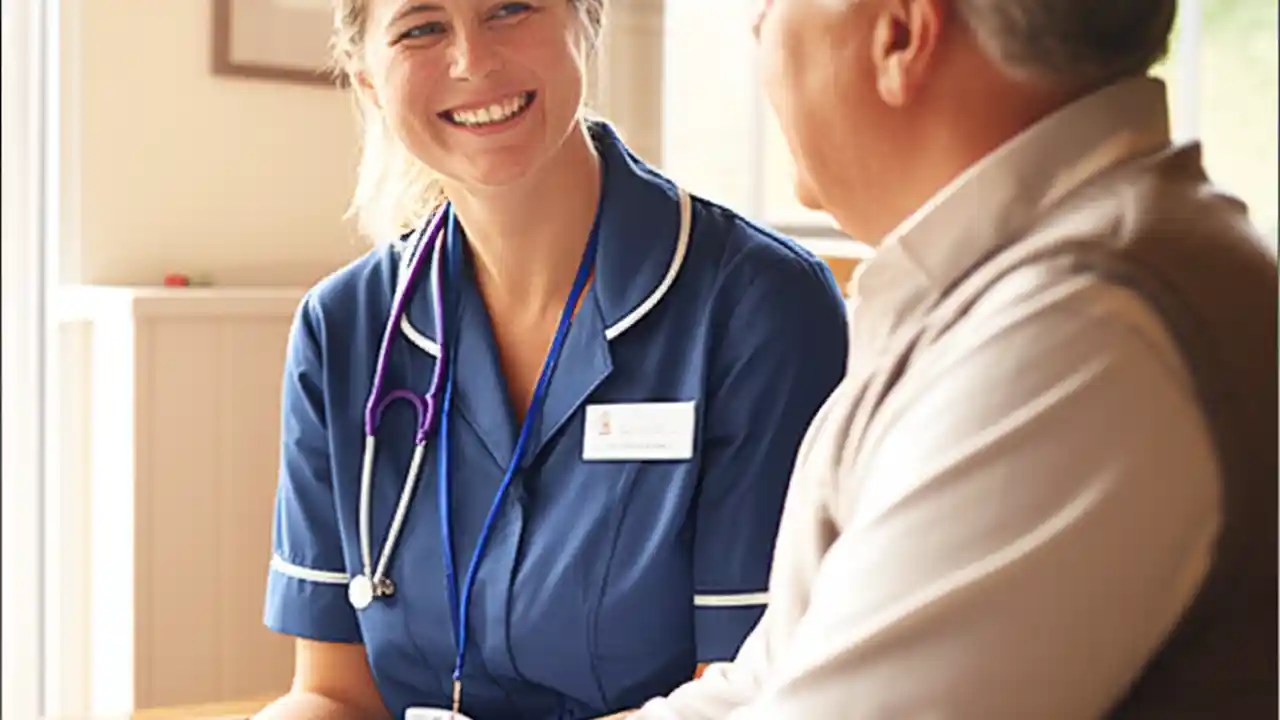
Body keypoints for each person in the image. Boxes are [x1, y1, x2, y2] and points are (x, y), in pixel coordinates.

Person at [632, 0, 1278, 718]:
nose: (758, 26)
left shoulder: (1074, 338)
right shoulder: (1023, 290)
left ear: (900, 35)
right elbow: (768, 687)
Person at [254, 1, 849, 719]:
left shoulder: (761, 307)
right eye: (422, 28)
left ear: (587, 19)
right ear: (370, 81)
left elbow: (748, 695)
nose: (472, 60)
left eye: (510, 9)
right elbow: (332, 693)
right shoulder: (343, 327)